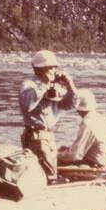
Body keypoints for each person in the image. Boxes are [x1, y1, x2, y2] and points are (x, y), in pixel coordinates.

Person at [18, 49, 76, 183]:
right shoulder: (29, 85)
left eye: (54, 68)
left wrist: (70, 84)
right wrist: (44, 85)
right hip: (37, 137)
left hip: (47, 137)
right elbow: (27, 106)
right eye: (50, 68)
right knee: (47, 176)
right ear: (39, 69)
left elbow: (70, 105)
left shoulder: (56, 85)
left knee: (45, 173)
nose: (53, 71)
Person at [58, 89, 106, 171]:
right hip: (102, 158)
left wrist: (56, 155)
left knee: (53, 159)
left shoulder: (87, 124)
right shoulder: (100, 117)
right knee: (64, 150)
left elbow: (75, 155)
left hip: (94, 164)